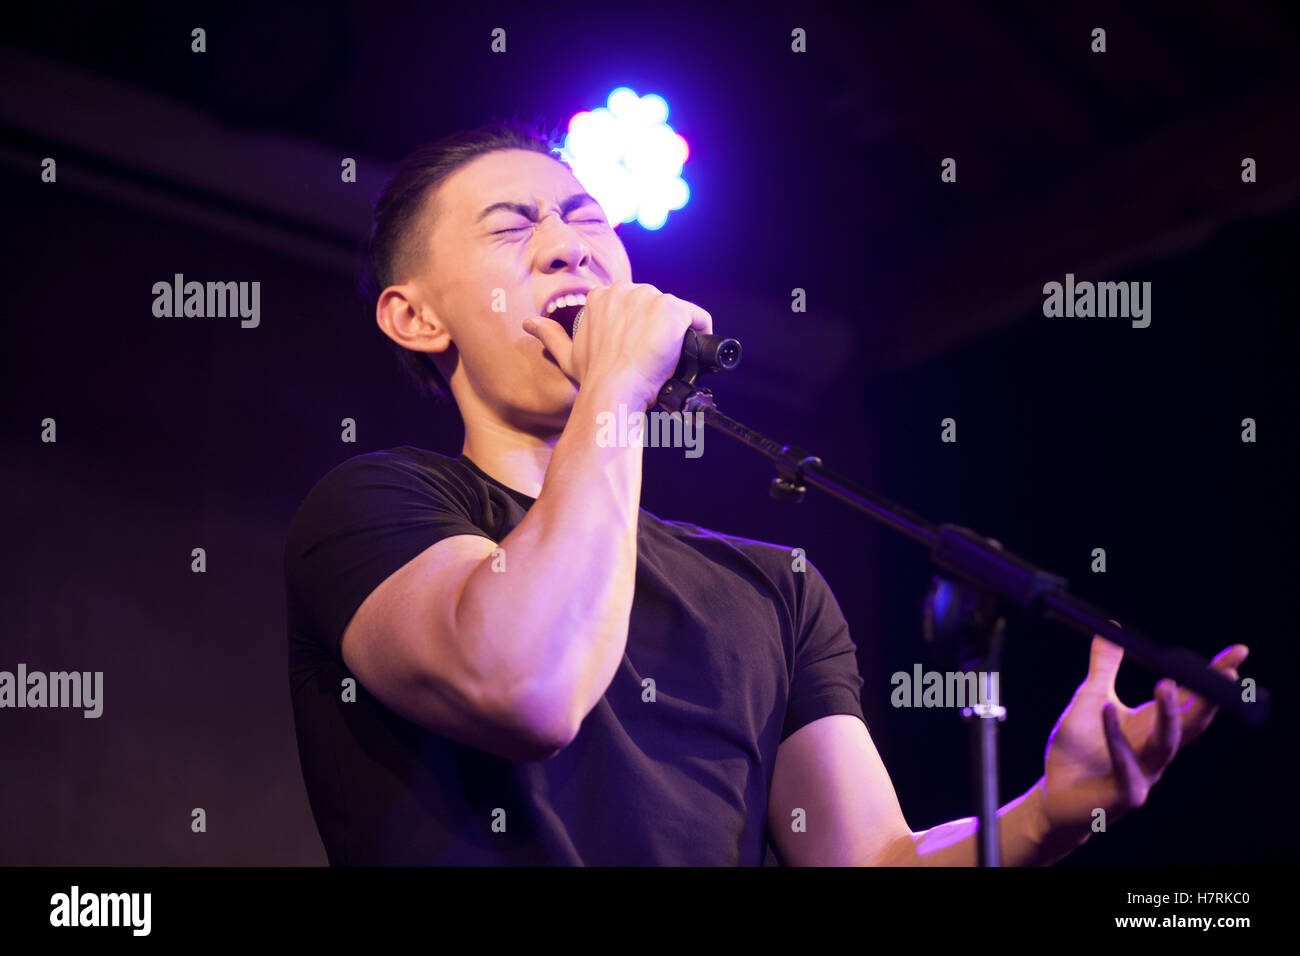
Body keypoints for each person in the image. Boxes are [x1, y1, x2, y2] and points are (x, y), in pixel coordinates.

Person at [283, 120, 1248, 865]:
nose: (570, 247)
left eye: (585, 220)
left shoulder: (773, 589)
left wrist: (1048, 813)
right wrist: (618, 388)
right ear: (413, 317)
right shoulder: (377, 508)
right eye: (514, 226)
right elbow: (525, 688)